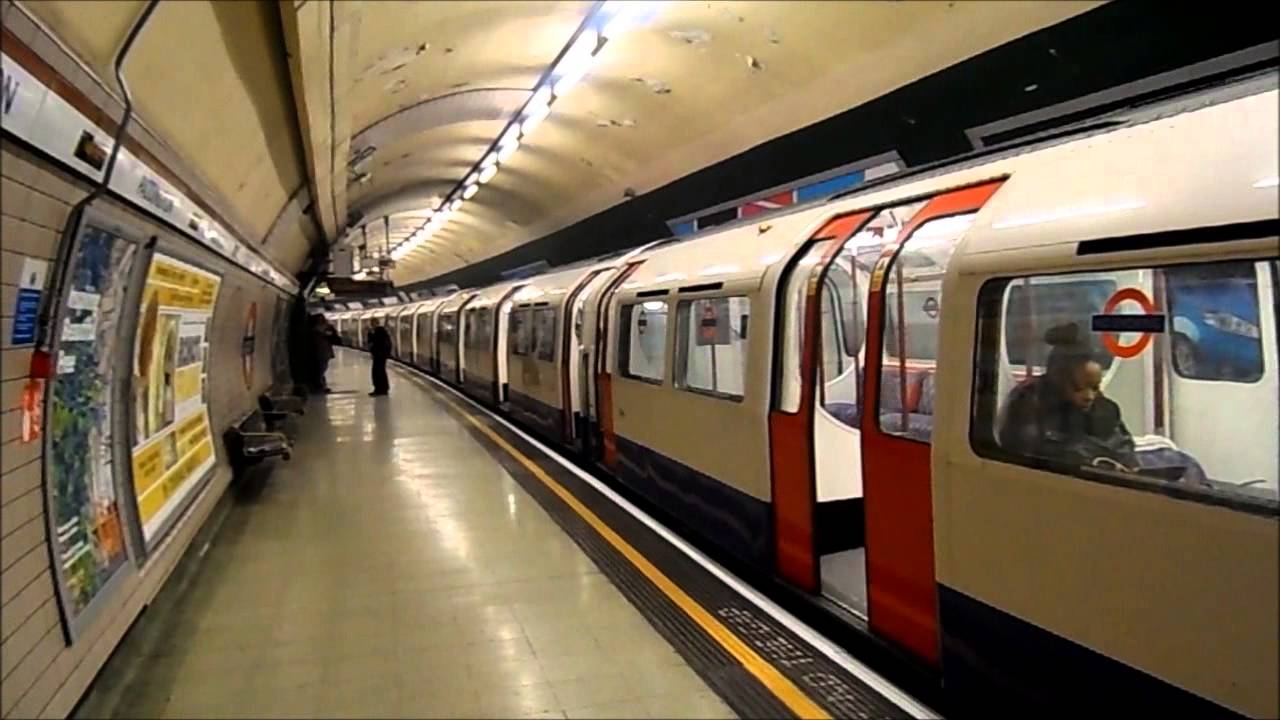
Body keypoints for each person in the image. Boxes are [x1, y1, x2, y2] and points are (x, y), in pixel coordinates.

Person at [998, 323, 1138, 469]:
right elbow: (1026, 451)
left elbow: (1125, 451)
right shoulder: (1030, 402)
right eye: (1077, 388)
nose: (1089, 396)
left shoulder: (1105, 409)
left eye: (1095, 388)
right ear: (1057, 378)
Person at [309, 314, 335, 393]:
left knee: (322, 367)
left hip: (323, 351)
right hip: (320, 351)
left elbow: (333, 335)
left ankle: (321, 385)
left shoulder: (319, 329)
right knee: (321, 368)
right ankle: (320, 385)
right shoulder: (316, 330)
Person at [368, 320, 392, 397]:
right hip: (380, 355)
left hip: (380, 355)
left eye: (372, 323)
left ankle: (380, 389)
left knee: (378, 372)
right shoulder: (380, 331)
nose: (372, 325)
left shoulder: (380, 331)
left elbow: (375, 342)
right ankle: (381, 389)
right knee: (380, 371)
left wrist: (371, 334)